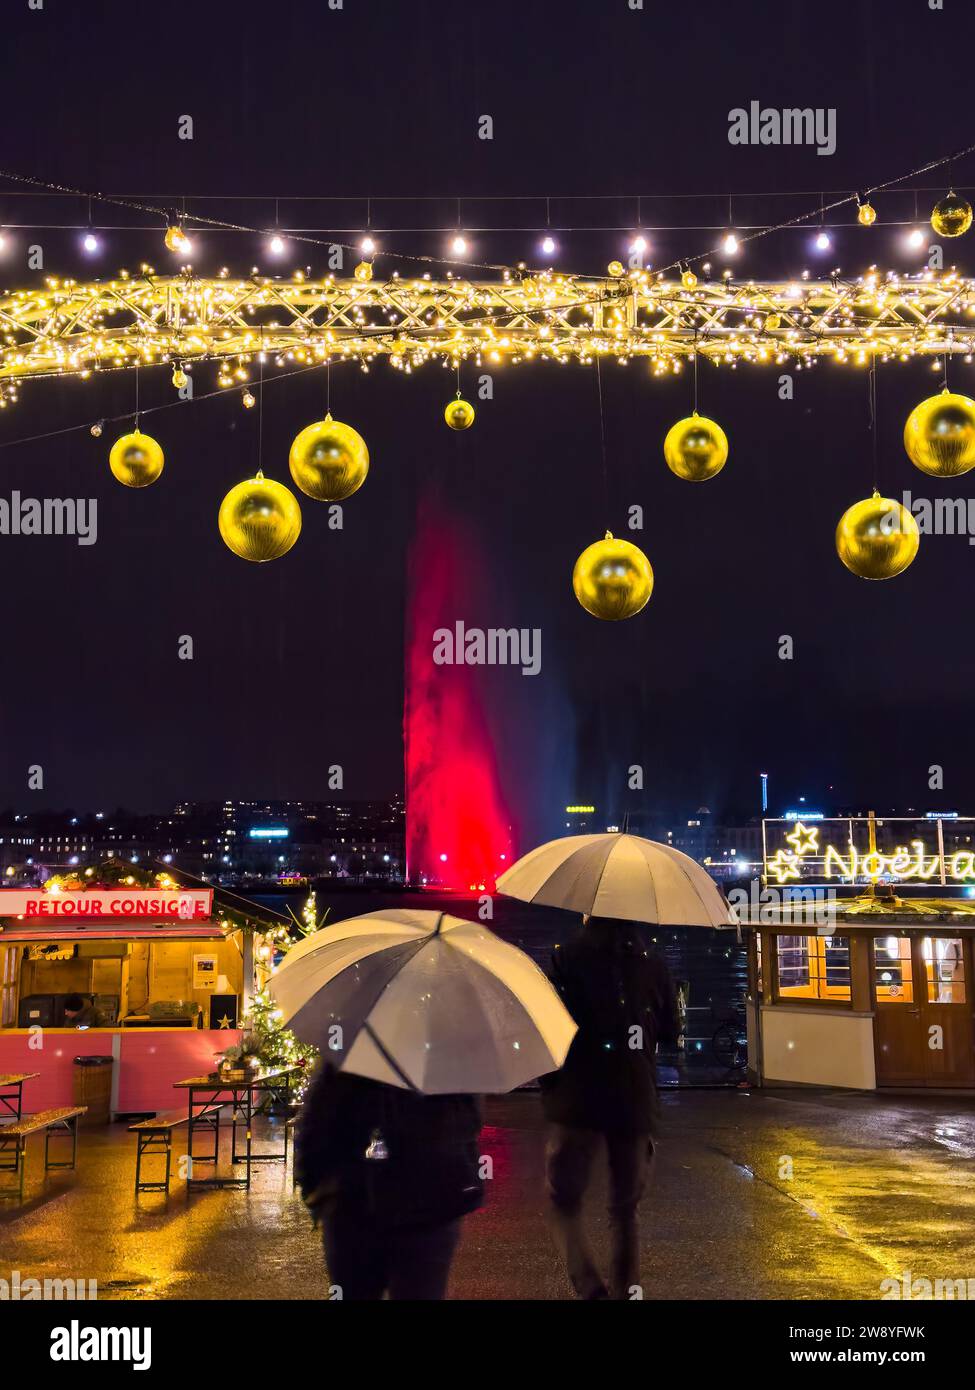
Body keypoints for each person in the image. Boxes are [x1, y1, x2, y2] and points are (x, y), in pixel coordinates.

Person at [542, 915, 679, 1301]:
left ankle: (590, 1290)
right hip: (633, 1098)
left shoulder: (567, 958)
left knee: (564, 1201)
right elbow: (670, 1030)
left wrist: (550, 1085)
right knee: (624, 1211)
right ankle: (626, 1293)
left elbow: (550, 1025)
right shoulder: (653, 963)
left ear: (589, 913)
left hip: (577, 1099)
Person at [296, 1064, 484, 1301]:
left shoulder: (356, 1046)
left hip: (365, 1203)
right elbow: (467, 1124)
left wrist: (315, 1187)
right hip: (415, 1205)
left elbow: (318, 1117)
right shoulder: (449, 1055)